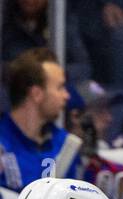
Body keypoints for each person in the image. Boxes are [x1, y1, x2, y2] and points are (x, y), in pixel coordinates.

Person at [0, 48, 82, 190]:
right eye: (60, 87)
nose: (66, 96)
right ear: (36, 94)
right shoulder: (2, 142)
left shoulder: (66, 145)